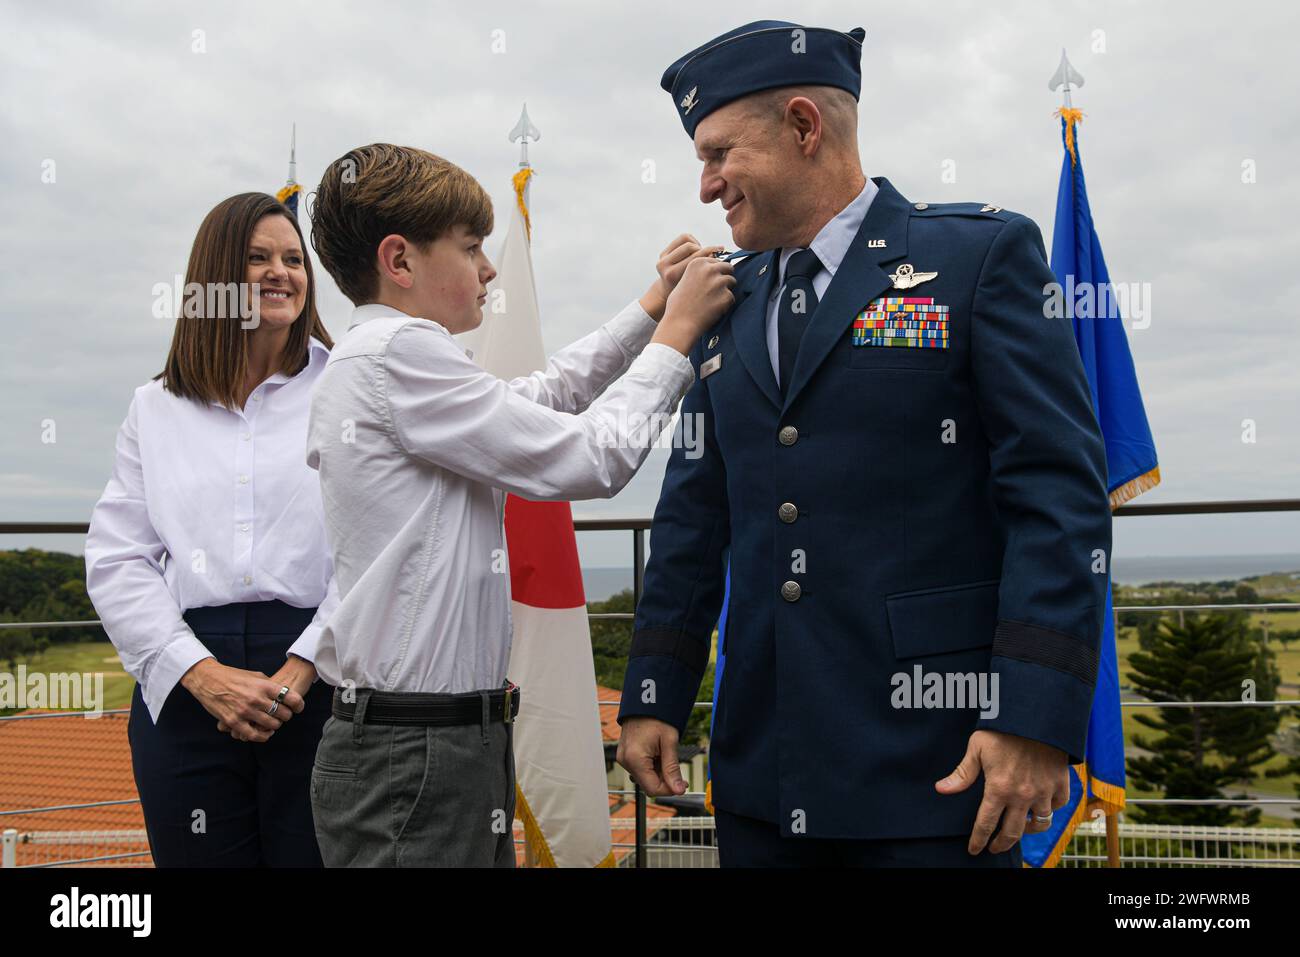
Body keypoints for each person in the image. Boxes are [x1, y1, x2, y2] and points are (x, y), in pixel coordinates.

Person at [616, 21, 1113, 867]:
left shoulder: (978, 259)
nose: (705, 187)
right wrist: (654, 691)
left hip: (935, 773)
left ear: (804, 126)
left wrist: (1032, 714)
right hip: (762, 776)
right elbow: (693, 520)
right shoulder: (723, 302)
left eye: (718, 154)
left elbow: (1059, 501)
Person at [304, 143, 734, 867]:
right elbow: (590, 457)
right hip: (420, 750)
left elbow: (536, 398)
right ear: (400, 260)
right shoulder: (398, 354)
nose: (490, 267)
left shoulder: (386, 358)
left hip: (431, 741)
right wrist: (678, 335)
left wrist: (650, 308)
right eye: (471, 247)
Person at [85, 192, 339, 866]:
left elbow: (375, 548)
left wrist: (303, 664)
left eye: (293, 258)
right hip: (187, 676)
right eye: (257, 258)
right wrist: (197, 672)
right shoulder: (154, 406)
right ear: (215, 279)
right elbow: (118, 557)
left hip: (322, 677)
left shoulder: (345, 389)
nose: (280, 272)